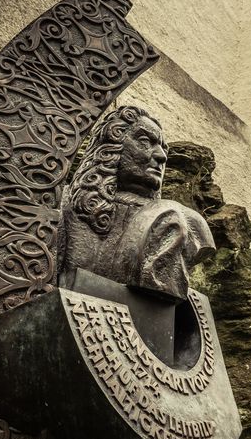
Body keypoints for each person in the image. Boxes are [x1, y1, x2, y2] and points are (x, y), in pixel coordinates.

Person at [60, 105, 214, 299]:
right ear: (109, 148)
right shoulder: (65, 204)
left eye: (163, 148)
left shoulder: (179, 220)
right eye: (144, 142)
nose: (161, 156)